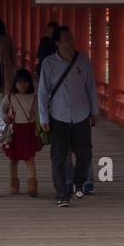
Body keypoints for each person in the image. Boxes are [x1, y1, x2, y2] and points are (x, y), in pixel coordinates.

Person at [37, 25, 98, 207]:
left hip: (81, 115)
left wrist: (94, 111)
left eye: (71, 39)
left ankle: (78, 182)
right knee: (59, 156)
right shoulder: (49, 63)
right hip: (58, 116)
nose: (70, 43)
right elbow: (42, 92)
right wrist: (43, 118)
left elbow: (91, 88)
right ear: (57, 43)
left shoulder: (83, 61)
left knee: (85, 154)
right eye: (66, 40)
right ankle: (62, 193)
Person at [0, 68, 42, 197]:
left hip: (29, 131)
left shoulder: (34, 97)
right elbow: (2, 109)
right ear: (15, 83)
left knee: (29, 159)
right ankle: (13, 184)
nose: (22, 85)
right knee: (13, 159)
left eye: (25, 82)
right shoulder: (9, 97)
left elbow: (39, 113)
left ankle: (32, 186)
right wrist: (5, 117)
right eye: (19, 82)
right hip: (14, 131)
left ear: (29, 83)